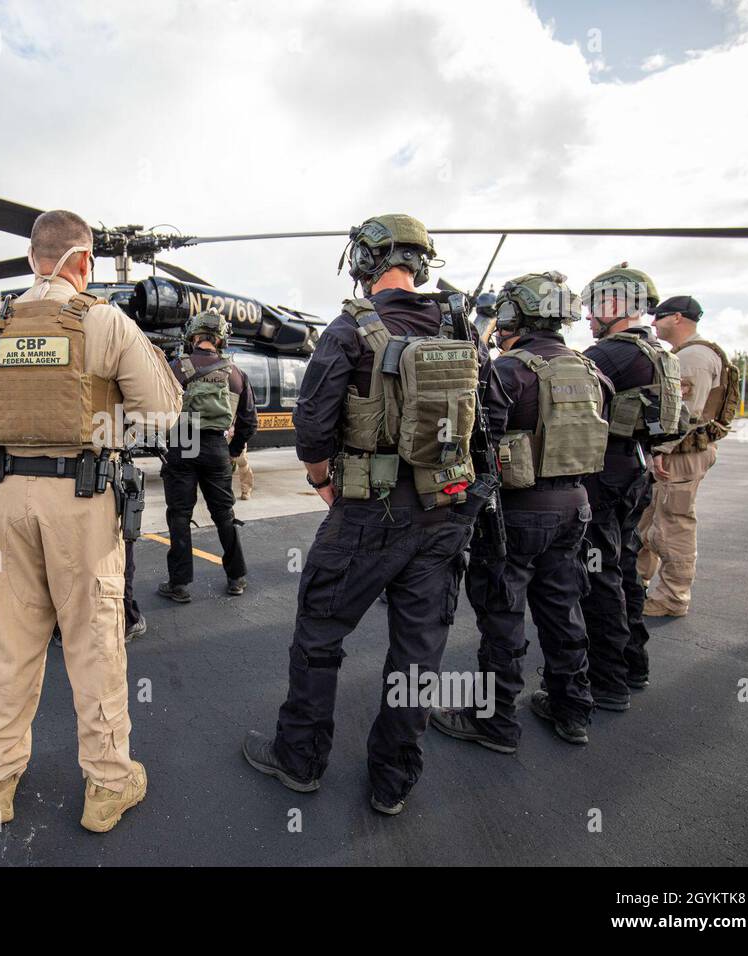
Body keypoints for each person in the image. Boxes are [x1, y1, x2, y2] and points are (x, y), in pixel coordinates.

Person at [241, 213, 504, 815]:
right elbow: (490, 413)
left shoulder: (350, 328)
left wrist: (320, 481)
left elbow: (312, 423)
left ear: (364, 261)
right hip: (446, 511)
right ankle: (394, 780)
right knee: (419, 652)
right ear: (420, 263)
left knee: (320, 633)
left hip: (368, 513)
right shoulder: (459, 328)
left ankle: (300, 759)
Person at [0, 210, 181, 833]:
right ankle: (107, 784)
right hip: (83, 501)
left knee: (11, 641)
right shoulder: (106, 322)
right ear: (84, 262)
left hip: (7, 499)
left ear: (32, 259)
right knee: (94, 642)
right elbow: (161, 415)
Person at [431, 272, 607, 751]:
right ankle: (573, 708)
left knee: (502, 615)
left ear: (513, 315)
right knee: (562, 608)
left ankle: (496, 719)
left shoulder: (509, 371)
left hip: (517, 514)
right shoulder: (591, 371)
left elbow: (471, 440)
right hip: (576, 507)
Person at [579, 263, 682, 706]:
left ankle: (607, 680)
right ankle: (632, 663)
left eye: (594, 308)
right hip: (636, 469)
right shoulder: (658, 352)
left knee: (599, 574)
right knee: (623, 570)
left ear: (616, 305)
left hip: (604, 475)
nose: (588, 318)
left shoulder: (607, 357)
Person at [636, 296, 735, 618]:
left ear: (677, 318)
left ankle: (671, 599)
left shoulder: (693, 357)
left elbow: (685, 414)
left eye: (659, 317)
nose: (653, 323)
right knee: (648, 523)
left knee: (673, 526)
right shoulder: (688, 353)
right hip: (678, 451)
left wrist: (661, 450)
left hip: (680, 453)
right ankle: (637, 583)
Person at [157, 308, 258, 602]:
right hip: (216, 446)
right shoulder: (235, 374)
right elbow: (249, 421)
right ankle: (236, 577)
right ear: (221, 339)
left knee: (179, 515)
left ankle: (179, 585)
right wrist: (233, 450)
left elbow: (158, 406)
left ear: (194, 336)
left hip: (183, 440)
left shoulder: (176, 368)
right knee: (224, 514)